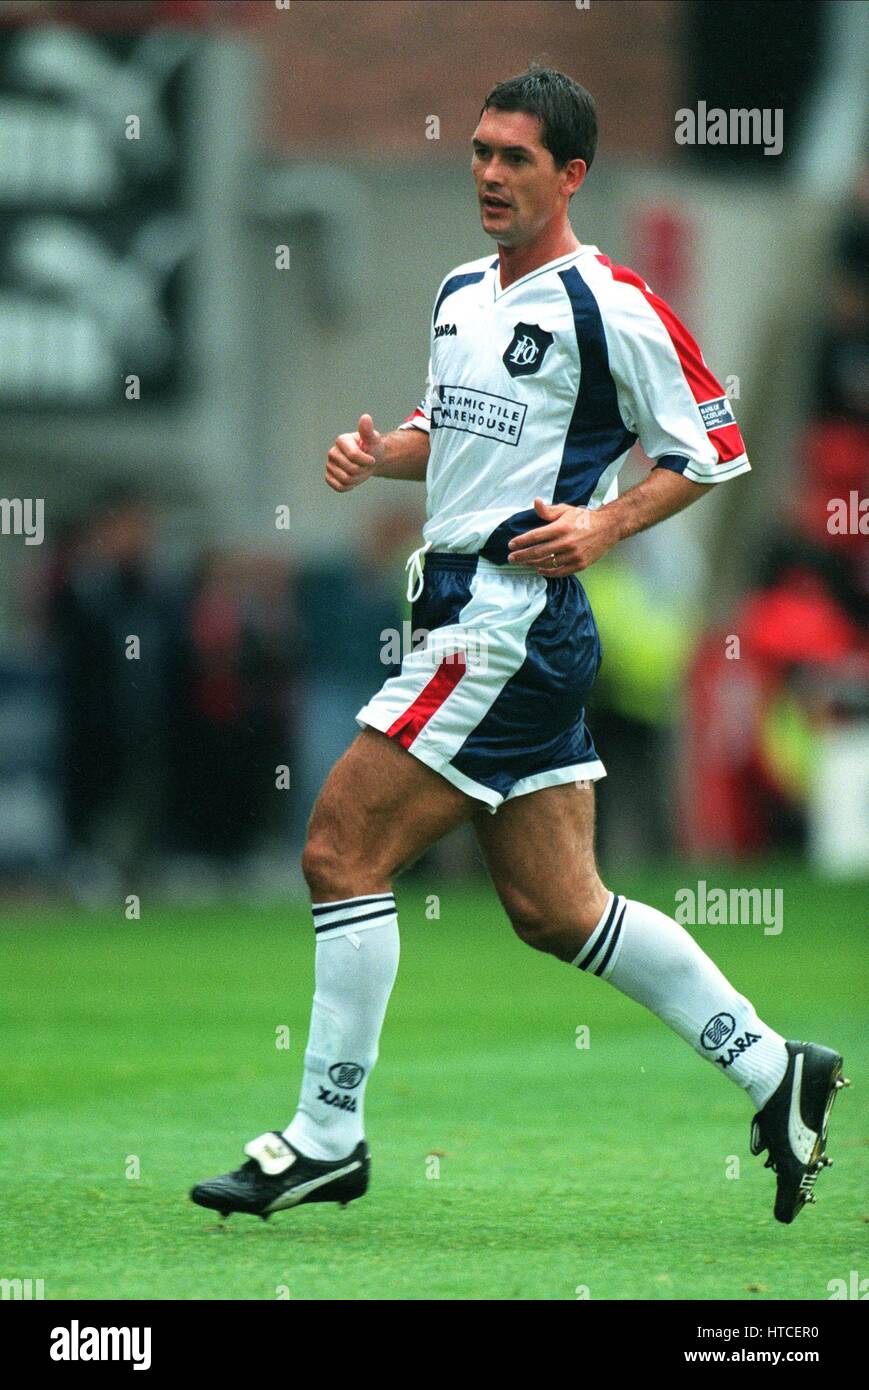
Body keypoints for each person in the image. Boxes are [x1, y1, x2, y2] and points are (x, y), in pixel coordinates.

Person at [191, 67, 847, 1227]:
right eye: (482, 152)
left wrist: (601, 520)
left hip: (508, 621)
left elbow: (715, 445)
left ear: (571, 174)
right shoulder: (457, 290)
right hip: (460, 611)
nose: (489, 174)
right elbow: (453, 434)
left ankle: (325, 1136)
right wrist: (378, 452)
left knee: (340, 850)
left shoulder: (609, 302)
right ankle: (769, 1066)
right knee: (556, 906)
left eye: (516, 159)